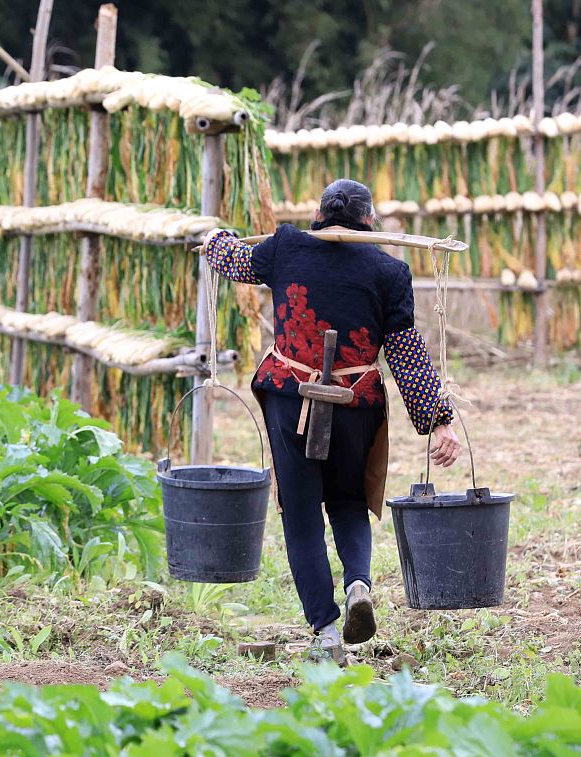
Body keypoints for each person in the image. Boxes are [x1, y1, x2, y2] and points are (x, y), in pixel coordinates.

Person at [203, 178, 462, 664]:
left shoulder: (285, 246)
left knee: (301, 516)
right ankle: (359, 584)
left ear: (320, 215)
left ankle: (325, 632)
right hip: (355, 403)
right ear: (368, 221)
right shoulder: (390, 271)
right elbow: (406, 353)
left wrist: (217, 239)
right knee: (347, 501)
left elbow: (229, 259)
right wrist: (438, 420)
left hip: (290, 398)